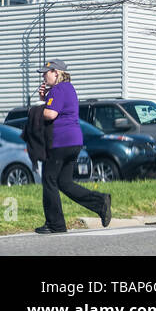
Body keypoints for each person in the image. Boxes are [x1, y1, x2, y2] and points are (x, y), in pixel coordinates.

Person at [36, 59, 111, 234]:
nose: (43, 77)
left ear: (56, 73)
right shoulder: (68, 89)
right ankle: (100, 202)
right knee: (64, 182)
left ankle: (55, 224)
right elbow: (57, 108)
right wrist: (44, 98)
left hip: (60, 141)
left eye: (45, 73)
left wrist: (39, 107)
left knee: (49, 179)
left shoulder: (59, 89)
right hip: (74, 141)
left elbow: (50, 113)